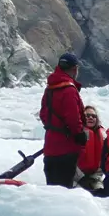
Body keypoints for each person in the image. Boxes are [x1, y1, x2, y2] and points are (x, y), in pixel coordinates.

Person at [38, 52, 86, 187]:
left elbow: (43, 114)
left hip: (50, 148)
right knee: (65, 189)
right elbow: (73, 118)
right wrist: (79, 135)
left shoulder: (49, 89)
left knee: (53, 189)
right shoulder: (69, 90)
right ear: (75, 69)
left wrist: (55, 127)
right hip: (66, 149)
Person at [76, 105, 106, 193]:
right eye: (87, 115)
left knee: (100, 192)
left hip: (95, 177)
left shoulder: (103, 135)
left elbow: (105, 159)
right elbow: (69, 160)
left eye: (93, 116)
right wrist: (81, 178)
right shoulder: (76, 135)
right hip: (77, 177)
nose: (90, 118)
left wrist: (96, 176)